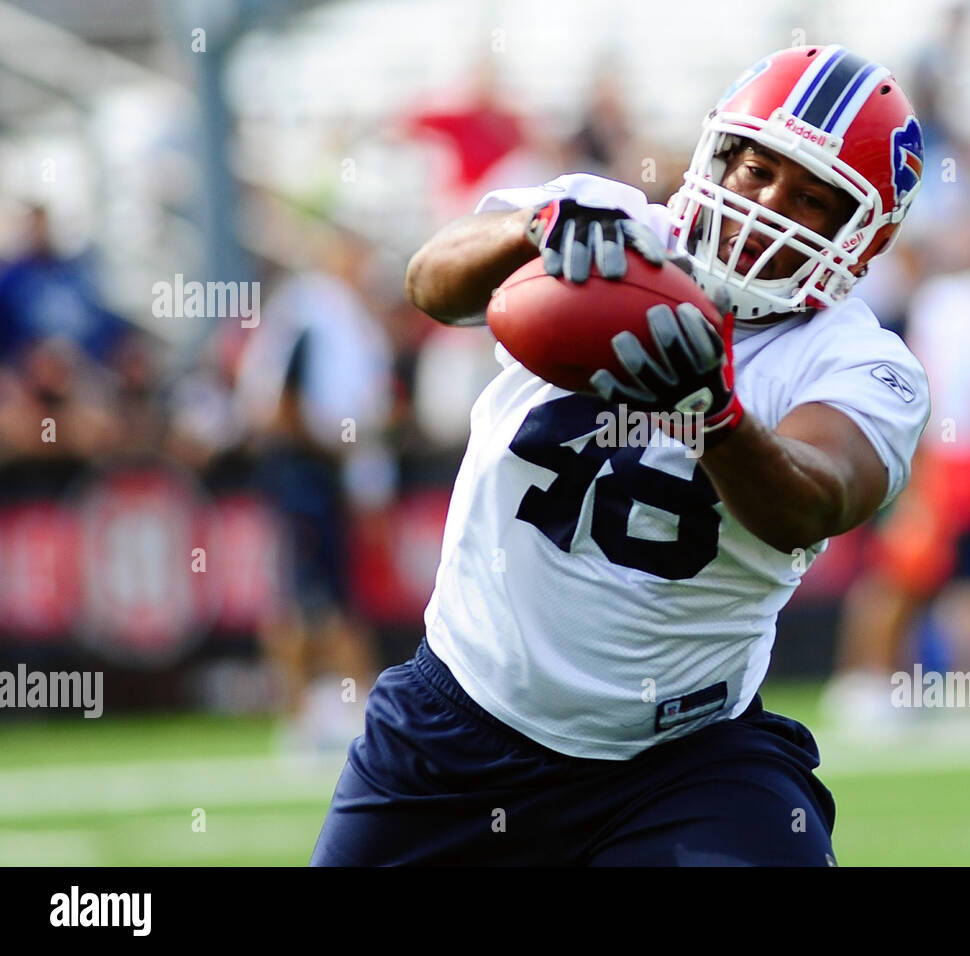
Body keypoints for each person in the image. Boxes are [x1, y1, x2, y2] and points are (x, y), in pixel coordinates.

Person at [311, 45, 930, 866]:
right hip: (458, 721)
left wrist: (709, 411)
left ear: (862, 240)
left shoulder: (860, 364)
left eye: (813, 199)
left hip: (681, 760)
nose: (770, 206)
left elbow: (813, 501)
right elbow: (431, 282)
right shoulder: (606, 229)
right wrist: (529, 232)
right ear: (716, 154)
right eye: (757, 170)